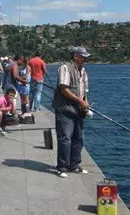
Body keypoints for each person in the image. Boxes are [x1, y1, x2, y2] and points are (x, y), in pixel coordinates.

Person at [52, 46, 90, 178]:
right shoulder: (65, 68)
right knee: (65, 138)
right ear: (75, 56)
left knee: (78, 138)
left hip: (78, 109)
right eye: (83, 56)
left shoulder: (83, 71)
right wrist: (80, 101)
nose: (85, 59)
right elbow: (64, 88)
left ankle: (74, 165)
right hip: (65, 108)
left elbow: (84, 91)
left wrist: (86, 103)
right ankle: (62, 167)